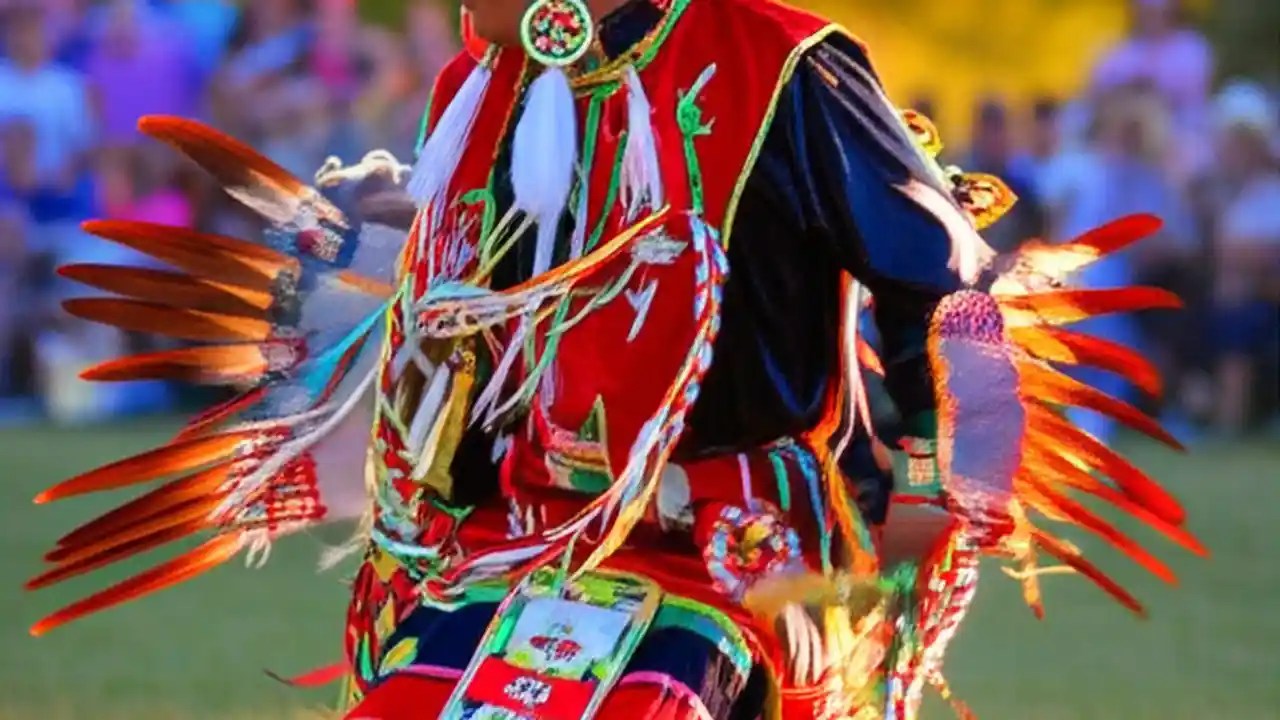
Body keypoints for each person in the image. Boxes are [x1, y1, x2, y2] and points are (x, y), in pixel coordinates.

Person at [28, 1, 1197, 718]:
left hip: (735, 551)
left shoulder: (777, 66)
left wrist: (933, 493)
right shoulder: (477, 86)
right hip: (518, 536)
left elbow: (943, 288)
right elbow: (459, 315)